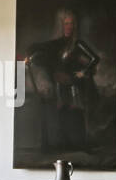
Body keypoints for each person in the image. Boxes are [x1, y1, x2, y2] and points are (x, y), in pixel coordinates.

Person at [25, 8, 100, 151]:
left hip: (74, 85)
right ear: (62, 25)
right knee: (61, 113)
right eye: (66, 23)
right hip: (59, 85)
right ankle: (64, 145)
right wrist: (29, 55)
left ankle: (80, 144)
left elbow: (95, 58)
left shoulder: (78, 44)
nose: (68, 27)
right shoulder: (56, 43)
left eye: (71, 24)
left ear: (75, 26)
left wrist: (83, 72)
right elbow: (37, 48)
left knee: (77, 113)